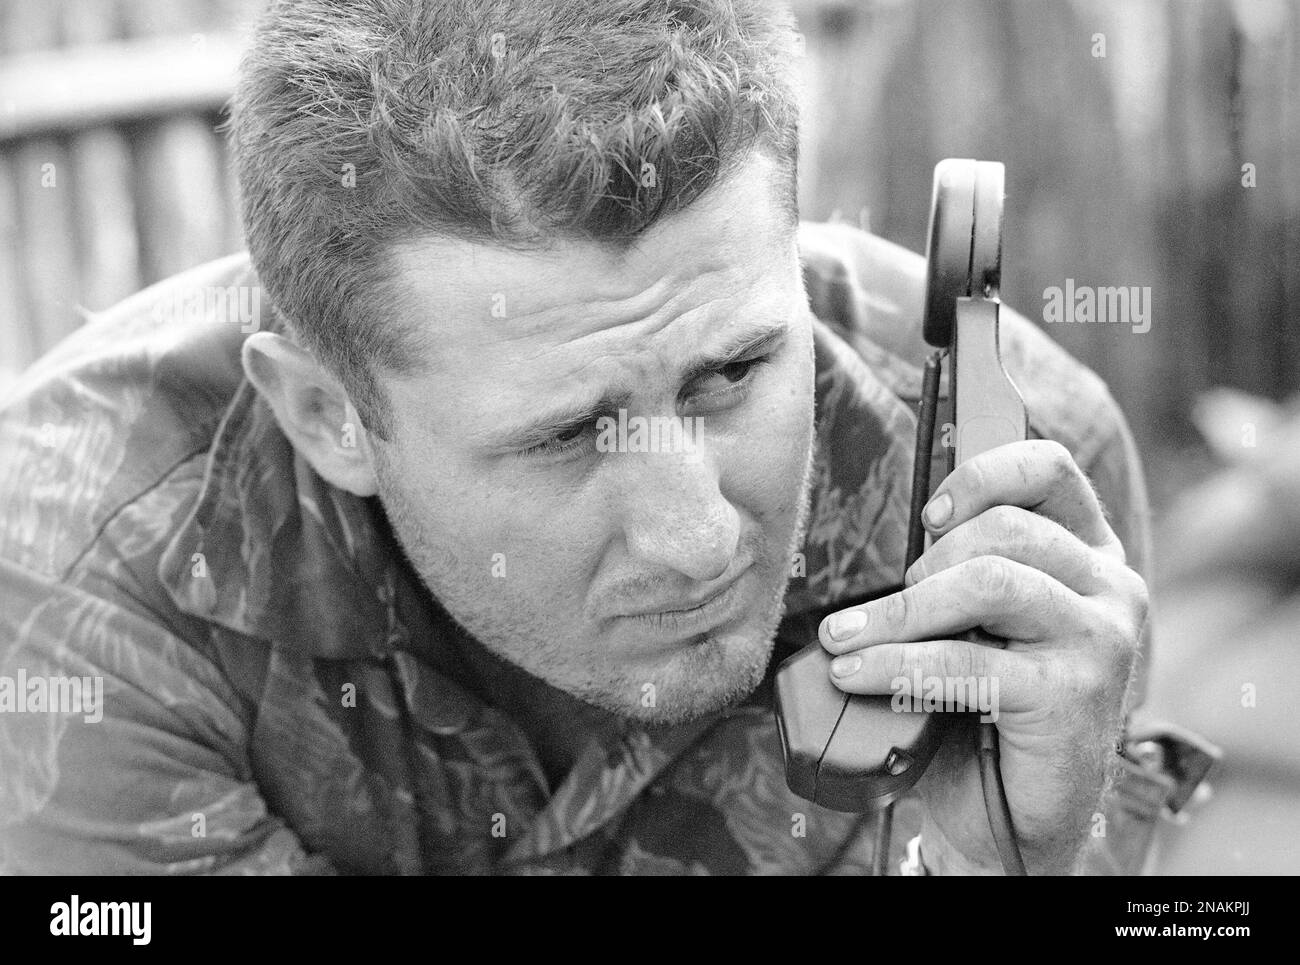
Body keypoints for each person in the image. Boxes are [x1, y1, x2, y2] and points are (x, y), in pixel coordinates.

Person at [0, 0, 1184, 874]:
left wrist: (990, 863)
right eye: (565, 434)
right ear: (328, 415)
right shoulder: (73, 584)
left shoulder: (1010, 470)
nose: (698, 537)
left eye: (733, 370)